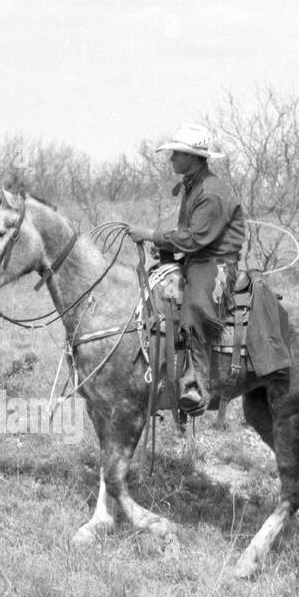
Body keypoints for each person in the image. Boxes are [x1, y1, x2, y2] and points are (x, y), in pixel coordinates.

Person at [124, 123, 247, 415]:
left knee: (196, 306)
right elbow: (188, 234)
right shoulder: (194, 186)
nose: (171, 160)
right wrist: (166, 247)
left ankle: (196, 384)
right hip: (198, 258)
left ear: (192, 158)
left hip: (216, 264)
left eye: (176, 154)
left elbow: (196, 238)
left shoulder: (212, 192)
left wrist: (152, 235)